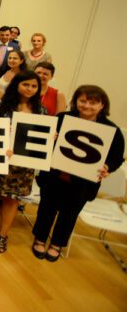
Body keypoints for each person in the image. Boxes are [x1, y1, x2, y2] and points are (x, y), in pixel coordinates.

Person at [32, 85, 124, 262]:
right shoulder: (62, 118)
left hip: (83, 183)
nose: (87, 105)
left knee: (70, 213)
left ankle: (57, 243)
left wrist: (107, 167)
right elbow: (43, 142)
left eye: (93, 102)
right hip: (54, 176)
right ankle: (40, 238)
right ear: (75, 102)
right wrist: (52, 138)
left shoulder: (112, 130)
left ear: (102, 105)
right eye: (83, 101)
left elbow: (116, 158)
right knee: (46, 209)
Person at [0, 70, 44, 253]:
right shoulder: (3, 106)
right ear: (17, 85)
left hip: (23, 163)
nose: (29, 89)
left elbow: (40, 138)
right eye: (26, 84)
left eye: (33, 86)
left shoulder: (41, 110)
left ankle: (3, 234)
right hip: (0, 157)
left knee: (12, 199)